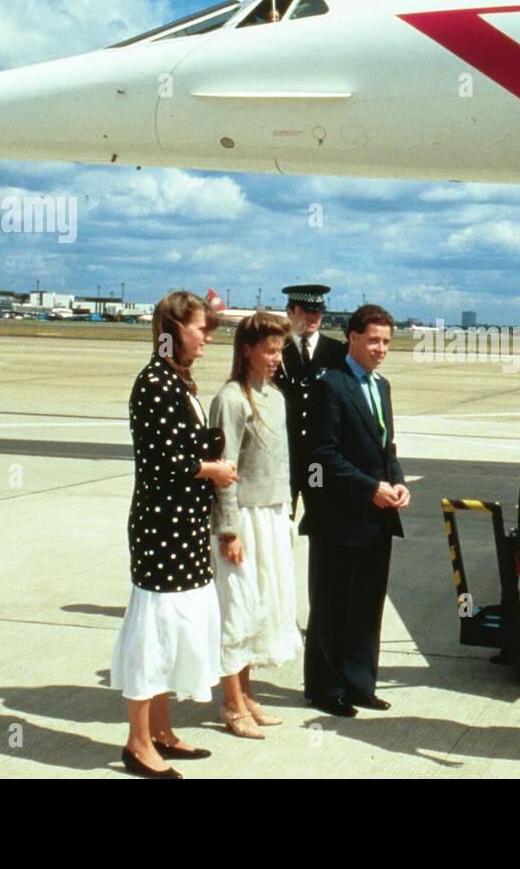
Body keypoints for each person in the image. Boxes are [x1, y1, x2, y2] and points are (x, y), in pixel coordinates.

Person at [110, 290, 238, 779]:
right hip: (162, 528)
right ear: (173, 330)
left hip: (182, 527)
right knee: (154, 634)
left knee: (176, 630)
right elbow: (165, 463)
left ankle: (161, 731)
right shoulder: (155, 383)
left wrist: (211, 458)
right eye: (201, 329)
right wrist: (212, 468)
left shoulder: (177, 380)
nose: (208, 337)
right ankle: (138, 742)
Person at [303, 304, 410, 717]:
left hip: (377, 515)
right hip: (340, 516)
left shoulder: (381, 386)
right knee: (332, 605)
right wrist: (370, 489)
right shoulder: (331, 385)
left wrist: (397, 481)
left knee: (367, 605)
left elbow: (387, 450)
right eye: (373, 340)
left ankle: (360, 683)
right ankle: (326, 688)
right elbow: (323, 455)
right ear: (352, 339)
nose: (380, 348)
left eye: (386, 341)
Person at [208, 312, 301, 739]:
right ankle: (230, 702)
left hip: (271, 515)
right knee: (237, 612)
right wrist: (229, 531)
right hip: (242, 518)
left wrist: (285, 514)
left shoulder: (276, 398)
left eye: (280, 349)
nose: (275, 358)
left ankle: (245, 695)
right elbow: (225, 470)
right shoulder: (231, 399)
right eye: (268, 349)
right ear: (247, 350)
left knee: (262, 608)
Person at [275, 284, 348, 516]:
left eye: (317, 311)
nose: (313, 316)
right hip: (284, 455)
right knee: (282, 522)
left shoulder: (337, 352)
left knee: (320, 518)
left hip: (318, 460)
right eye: (306, 310)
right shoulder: (276, 349)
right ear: (289, 312)